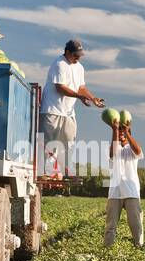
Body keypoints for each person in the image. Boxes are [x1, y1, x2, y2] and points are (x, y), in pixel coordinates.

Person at [40, 38, 104, 176]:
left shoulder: (79, 67)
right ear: (67, 52)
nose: (78, 58)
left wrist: (92, 98)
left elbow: (81, 87)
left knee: (69, 142)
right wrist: (79, 97)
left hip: (68, 113)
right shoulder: (59, 64)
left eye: (80, 55)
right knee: (49, 143)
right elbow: (60, 87)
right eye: (75, 55)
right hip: (52, 110)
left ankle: (61, 171)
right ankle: (45, 172)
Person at [104, 120, 144, 248]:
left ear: (128, 133)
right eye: (119, 131)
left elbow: (138, 151)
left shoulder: (131, 149)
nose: (121, 133)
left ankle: (139, 247)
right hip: (115, 193)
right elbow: (112, 154)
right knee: (110, 226)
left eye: (123, 130)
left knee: (136, 224)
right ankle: (107, 250)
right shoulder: (114, 149)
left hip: (131, 192)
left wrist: (127, 133)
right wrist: (114, 130)